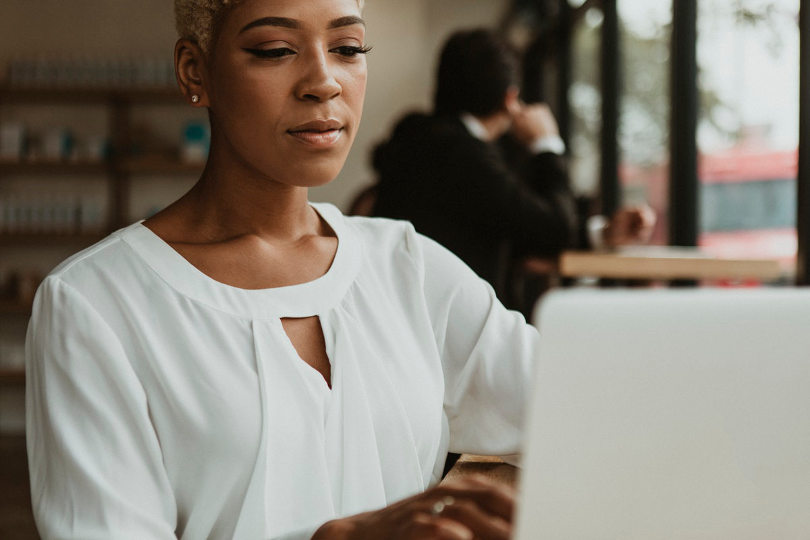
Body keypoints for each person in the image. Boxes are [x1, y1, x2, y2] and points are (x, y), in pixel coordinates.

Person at [26, 1, 531, 539]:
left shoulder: (407, 265)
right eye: (275, 51)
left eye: (348, 49)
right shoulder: (94, 304)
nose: (324, 82)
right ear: (195, 71)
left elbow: (577, 410)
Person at [371, 29, 655, 307]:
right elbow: (554, 228)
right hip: (450, 330)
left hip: (404, 315)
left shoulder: (423, 141)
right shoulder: (461, 154)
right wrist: (547, 144)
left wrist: (601, 233)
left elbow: (517, 223)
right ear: (510, 98)